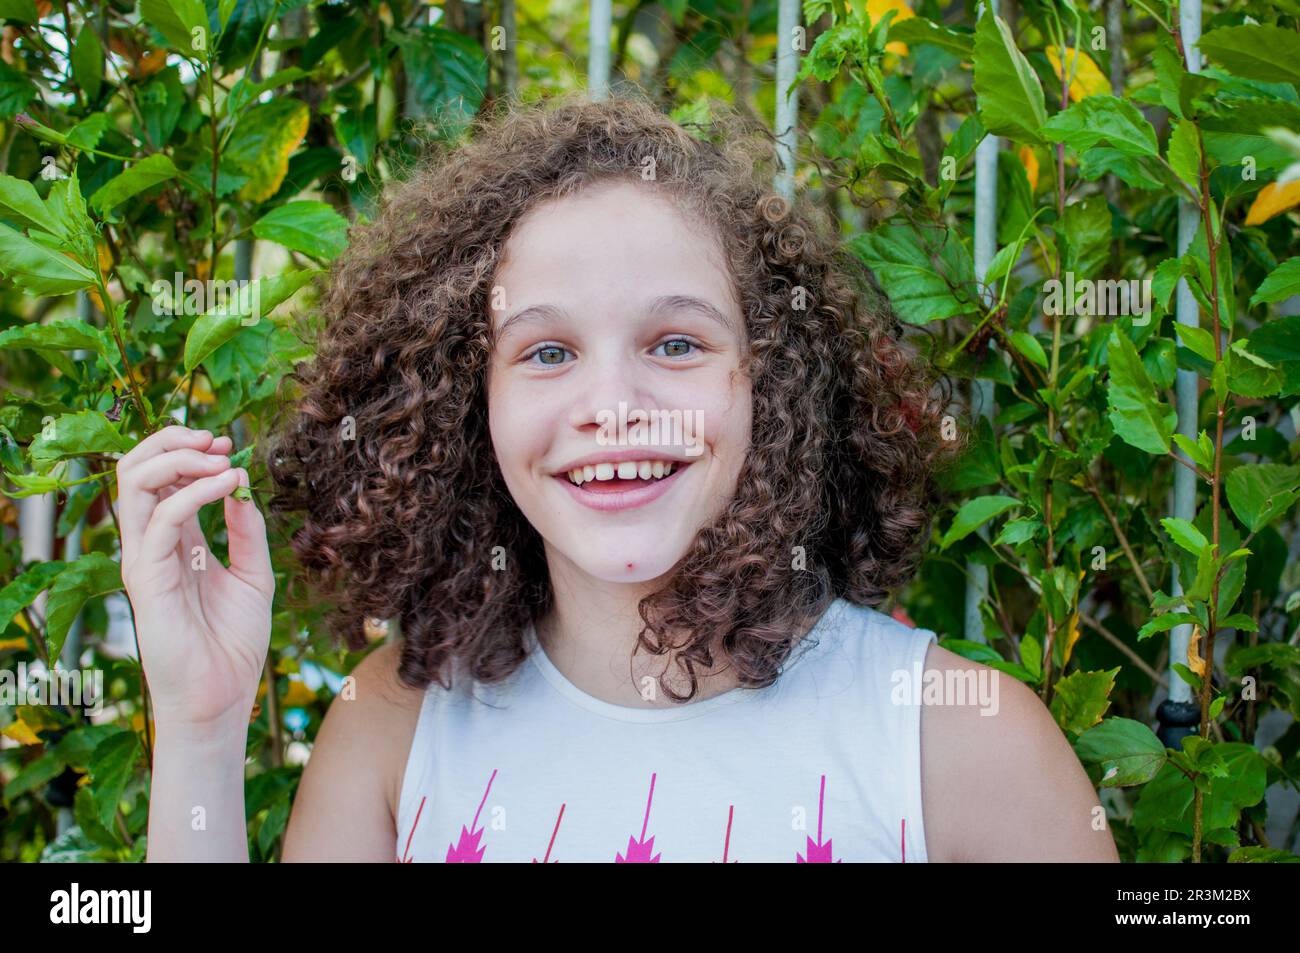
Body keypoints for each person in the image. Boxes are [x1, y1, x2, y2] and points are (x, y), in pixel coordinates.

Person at [118, 90, 1119, 862]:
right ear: (473, 402)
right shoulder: (393, 723)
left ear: (767, 382)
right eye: (546, 351)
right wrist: (201, 725)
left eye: (676, 341)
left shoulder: (958, 743)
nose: (613, 403)